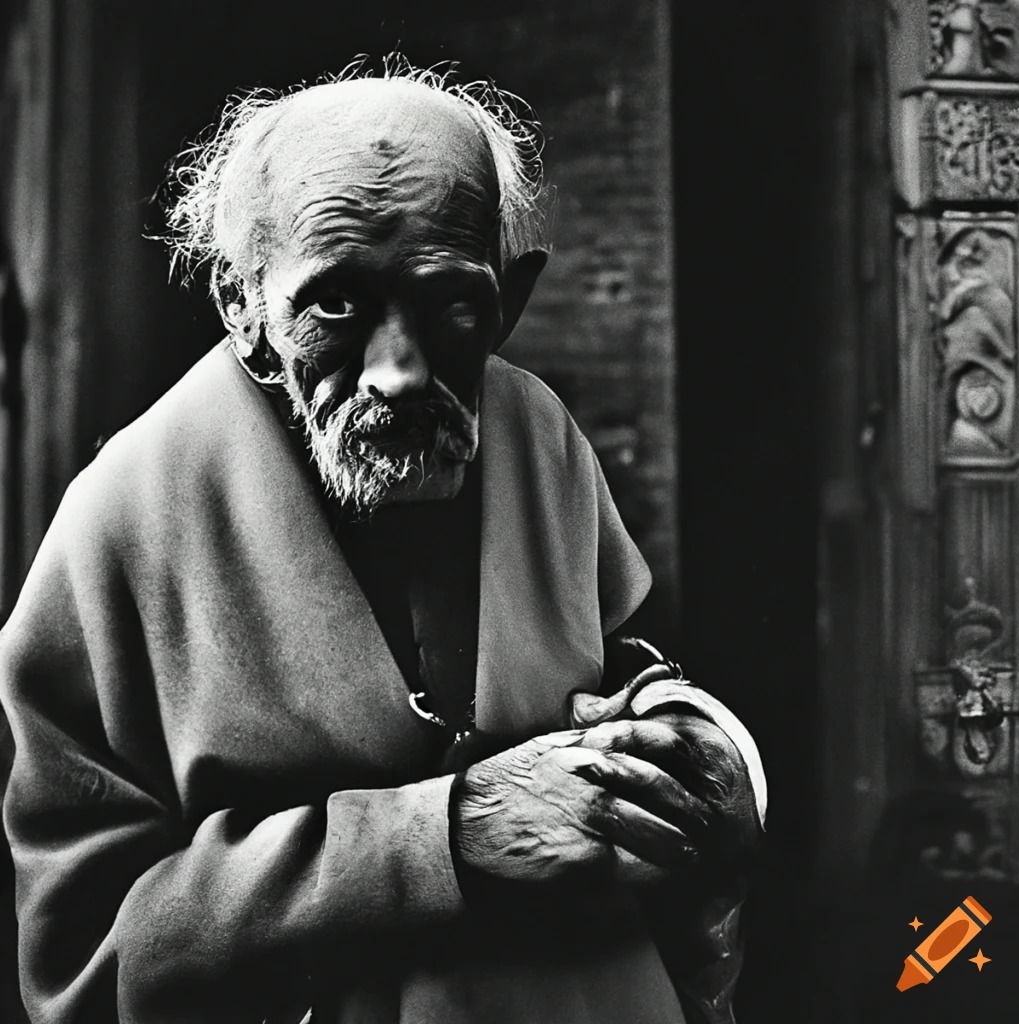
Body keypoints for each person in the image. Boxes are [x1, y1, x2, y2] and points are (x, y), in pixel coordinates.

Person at [0, 57, 767, 1024]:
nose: (400, 371)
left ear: (511, 298)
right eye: (335, 303)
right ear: (242, 303)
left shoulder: (536, 432)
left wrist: (697, 738)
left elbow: (622, 663)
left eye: (452, 302)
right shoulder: (119, 522)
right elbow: (88, 962)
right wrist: (444, 836)